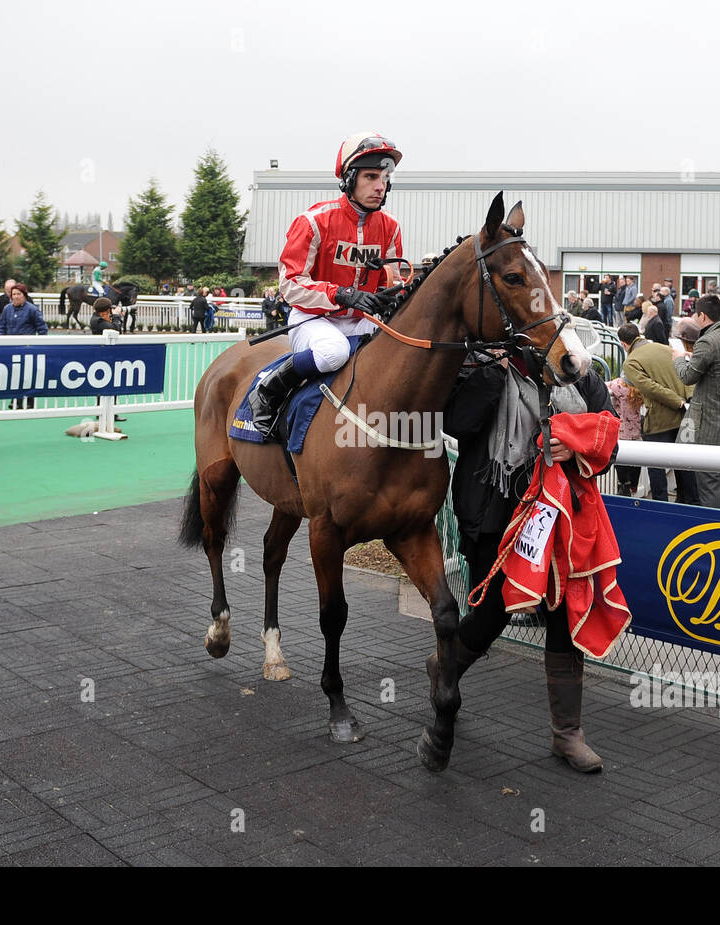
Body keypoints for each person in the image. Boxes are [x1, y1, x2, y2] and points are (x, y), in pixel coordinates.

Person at [441, 350, 617, 772]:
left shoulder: (581, 371)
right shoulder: (482, 364)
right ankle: (444, 668)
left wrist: (572, 445)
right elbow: (455, 423)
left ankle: (568, 734)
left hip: (562, 517)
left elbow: (608, 439)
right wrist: (493, 374)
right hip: (495, 513)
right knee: (493, 615)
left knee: (564, 615)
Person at [251, 132, 405, 438]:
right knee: (334, 353)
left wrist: (391, 296)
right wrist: (342, 294)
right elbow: (291, 285)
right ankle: (268, 389)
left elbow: (394, 280)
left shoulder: (390, 228)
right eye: (371, 176)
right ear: (349, 178)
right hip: (312, 320)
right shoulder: (313, 222)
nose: (380, 185)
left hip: (362, 323)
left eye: (385, 177)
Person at [675, 294, 720, 510]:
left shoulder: (707, 341)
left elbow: (687, 376)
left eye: (695, 315)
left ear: (702, 315)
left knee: (708, 483)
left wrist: (678, 358)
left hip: (707, 427)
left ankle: (713, 532)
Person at [619, 322, 697, 505]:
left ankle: (660, 505)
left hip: (660, 419)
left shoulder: (631, 362)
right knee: (686, 463)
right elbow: (685, 372)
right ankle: (690, 503)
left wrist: (676, 401)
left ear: (623, 344)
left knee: (655, 465)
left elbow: (650, 388)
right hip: (685, 416)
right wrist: (686, 399)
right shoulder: (664, 348)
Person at [605, 374, 642, 495]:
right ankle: (634, 484)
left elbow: (604, 386)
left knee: (620, 460)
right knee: (636, 462)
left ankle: (623, 483)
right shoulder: (638, 389)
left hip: (621, 432)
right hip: (635, 432)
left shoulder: (619, 387)